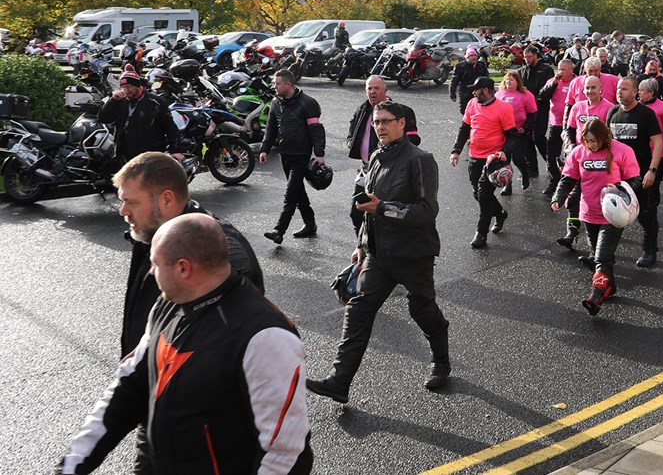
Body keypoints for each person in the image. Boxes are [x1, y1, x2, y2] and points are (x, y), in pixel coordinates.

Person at [56, 214, 313, 474]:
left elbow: (285, 454)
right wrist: (70, 466)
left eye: (155, 263)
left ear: (183, 268)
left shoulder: (266, 337)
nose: (152, 271)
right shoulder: (167, 304)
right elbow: (129, 387)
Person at [111, 151, 265, 472]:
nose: (122, 211)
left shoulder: (215, 245)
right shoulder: (150, 233)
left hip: (203, 427)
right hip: (156, 402)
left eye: (131, 202)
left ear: (166, 200)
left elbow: (240, 298)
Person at [308, 102, 450, 403]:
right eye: (376, 122)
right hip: (378, 255)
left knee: (422, 310)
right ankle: (339, 381)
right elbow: (367, 206)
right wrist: (360, 244)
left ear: (402, 123)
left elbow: (427, 212)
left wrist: (384, 208)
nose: (380, 127)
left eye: (386, 122)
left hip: (413, 255)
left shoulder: (421, 160)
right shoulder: (375, 157)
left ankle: (441, 361)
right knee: (358, 311)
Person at [551, 118, 641, 315]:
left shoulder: (622, 151)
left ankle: (596, 295)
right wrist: (558, 197)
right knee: (601, 258)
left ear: (603, 137)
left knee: (601, 257)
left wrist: (618, 188)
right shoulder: (579, 152)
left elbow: (634, 179)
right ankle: (610, 287)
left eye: (594, 141)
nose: (591, 145)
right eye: (587, 141)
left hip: (613, 215)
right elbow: (568, 178)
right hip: (589, 213)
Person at [259, 69, 326, 244]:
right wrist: (264, 149)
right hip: (285, 154)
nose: (274, 86)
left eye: (277, 83)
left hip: (301, 154)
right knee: (298, 192)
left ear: (288, 84)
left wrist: (319, 154)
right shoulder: (276, 102)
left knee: (291, 193)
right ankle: (310, 224)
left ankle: (279, 230)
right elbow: (271, 128)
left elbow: (316, 130)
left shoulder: (307, 103)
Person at [346, 75, 420, 231]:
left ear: (385, 90)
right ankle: (364, 247)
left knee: (384, 212)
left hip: (390, 170)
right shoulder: (363, 108)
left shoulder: (403, 111)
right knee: (357, 211)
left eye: (376, 88)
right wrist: (350, 139)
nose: (372, 92)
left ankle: (380, 248)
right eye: (369, 89)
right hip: (366, 169)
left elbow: (413, 140)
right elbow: (353, 124)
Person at [450, 76, 517, 249]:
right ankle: (500, 213)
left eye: (477, 89)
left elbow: (512, 135)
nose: (473, 92)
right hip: (474, 157)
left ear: (486, 90)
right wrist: (456, 151)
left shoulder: (504, 108)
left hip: (494, 160)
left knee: (485, 195)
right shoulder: (472, 104)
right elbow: (464, 128)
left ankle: (481, 233)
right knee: (477, 193)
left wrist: (503, 152)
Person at [606, 76, 663, 268]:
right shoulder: (612, 112)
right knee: (614, 214)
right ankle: (605, 254)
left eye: (624, 89)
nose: (620, 92)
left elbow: (658, 142)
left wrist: (652, 171)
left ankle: (650, 250)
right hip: (618, 176)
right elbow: (608, 144)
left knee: (646, 215)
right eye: (618, 89)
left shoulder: (646, 114)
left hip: (642, 174)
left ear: (635, 92)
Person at [559, 75, 615, 248]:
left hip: (600, 162)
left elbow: (613, 137)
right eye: (587, 88)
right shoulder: (577, 107)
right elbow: (569, 130)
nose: (590, 91)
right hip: (579, 159)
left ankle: (603, 240)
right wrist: (569, 145)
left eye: (593, 88)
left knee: (598, 200)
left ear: (600, 89)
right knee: (573, 197)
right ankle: (572, 232)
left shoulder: (610, 108)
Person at [98, 65, 180, 163]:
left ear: (138, 85)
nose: (126, 90)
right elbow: (103, 119)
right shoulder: (119, 101)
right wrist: (112, 100)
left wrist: (174, 150)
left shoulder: (156, 102)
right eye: (123, 87)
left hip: (149, 154)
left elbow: (170, 128)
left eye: (129, 86)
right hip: (124, 153)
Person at [495, 70, 538, 192]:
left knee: (518, 158)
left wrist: (525, 128)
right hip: (504, 132)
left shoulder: (526, 95)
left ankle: (524, 174)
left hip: (520, 132)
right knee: (505, 159)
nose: (509, 81)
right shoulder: (499, 95)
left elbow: (532, 114)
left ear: (517, 82)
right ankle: (508, 186)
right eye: (507, 79)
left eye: (512, 79)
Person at [538, 59, 576, 196]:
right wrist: (554, 83)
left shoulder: (577, 82)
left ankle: (571, 183)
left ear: (572, 69)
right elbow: (542, 96)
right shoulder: (553, 81)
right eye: (559, 69)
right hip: (555, 124)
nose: (560, 72)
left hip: (572, 125)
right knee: (552, 155)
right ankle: (554, 181)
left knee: (571, 155)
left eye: (564, 69)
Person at [518, 45, 554, 180]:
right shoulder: (521, 71)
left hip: (540, 108)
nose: (527, 59)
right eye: (525, 57)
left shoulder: (546, 70)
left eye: (529, 57)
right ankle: (531, 168)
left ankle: (552, 166)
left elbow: (549, 89)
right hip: (525, 110)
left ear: (536, 56)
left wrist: (538, 98)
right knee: (526, 139)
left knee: (538, 137)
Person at [449, 45, 489, 114]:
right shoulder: (460, 66)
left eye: (475, 55)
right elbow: (454, 81)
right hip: (465, 92)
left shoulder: (481, 65)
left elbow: (487, 79)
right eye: (471, 56)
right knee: (465, 111)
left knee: (480, 111)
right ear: (467, 57)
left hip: (479, 92)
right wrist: (452, 94)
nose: (474, 57)